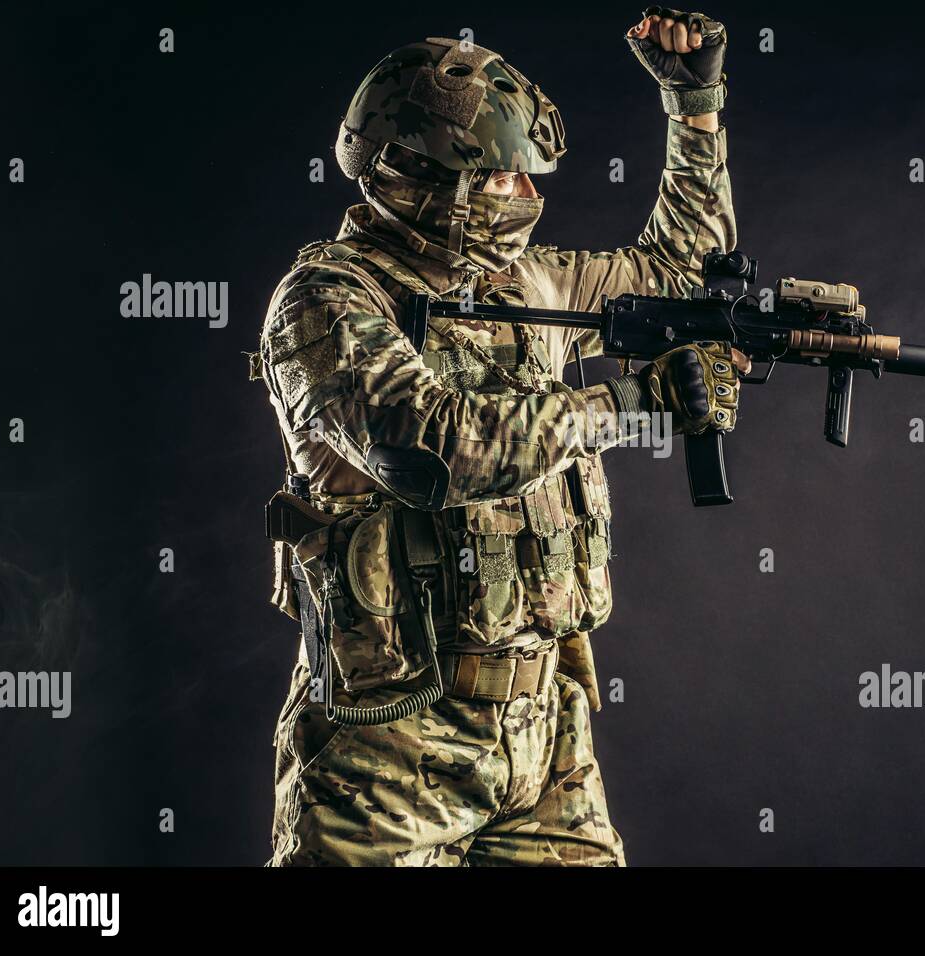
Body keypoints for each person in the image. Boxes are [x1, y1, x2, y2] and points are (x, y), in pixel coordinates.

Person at [256, 9, 742, 866]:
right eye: (502, 178)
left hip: (543, 731)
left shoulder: (526, 280)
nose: (526, 196)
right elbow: (430, 447)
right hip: (388, 750)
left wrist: (693, 106)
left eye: (527, 177)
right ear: (414, 174)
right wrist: (628, 404)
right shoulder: (326, 299)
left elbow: (677, 277)